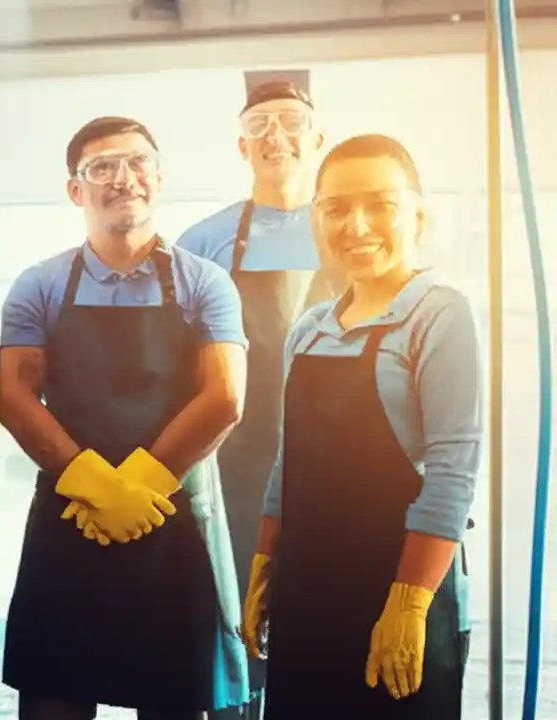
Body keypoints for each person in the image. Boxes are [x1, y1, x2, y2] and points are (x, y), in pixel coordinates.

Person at [0, 115, 251, 720]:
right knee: (55, 703)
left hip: (172, 522)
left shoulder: (205, 283)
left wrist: (140, 485)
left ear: (158, 178)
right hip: (71, 517)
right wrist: (93, 484)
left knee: (174, 703)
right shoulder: (40, 284)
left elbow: (224, 398)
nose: (123, 178)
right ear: (75, 189)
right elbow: (13, 395)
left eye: (137, 163)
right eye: (102, 167)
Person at [243, 134, 479, 719]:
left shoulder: (439, 314)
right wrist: (264, 562)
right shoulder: (311, 328)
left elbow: (452, 471)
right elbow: (287, 463)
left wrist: (410, 601)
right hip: (307, 590)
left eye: (380, 205)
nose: (357, 225)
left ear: (417, 214)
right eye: (337, 208)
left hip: (397, 586)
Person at [175, 79, 342, 719]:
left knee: (324, 637)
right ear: (241, 146)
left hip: (335, 463)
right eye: (260, 124)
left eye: (292, 120)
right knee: (234, 633)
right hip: (234, 468)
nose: (277, 136)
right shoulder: (205, 243)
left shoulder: (352, 231)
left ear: (318, 138)